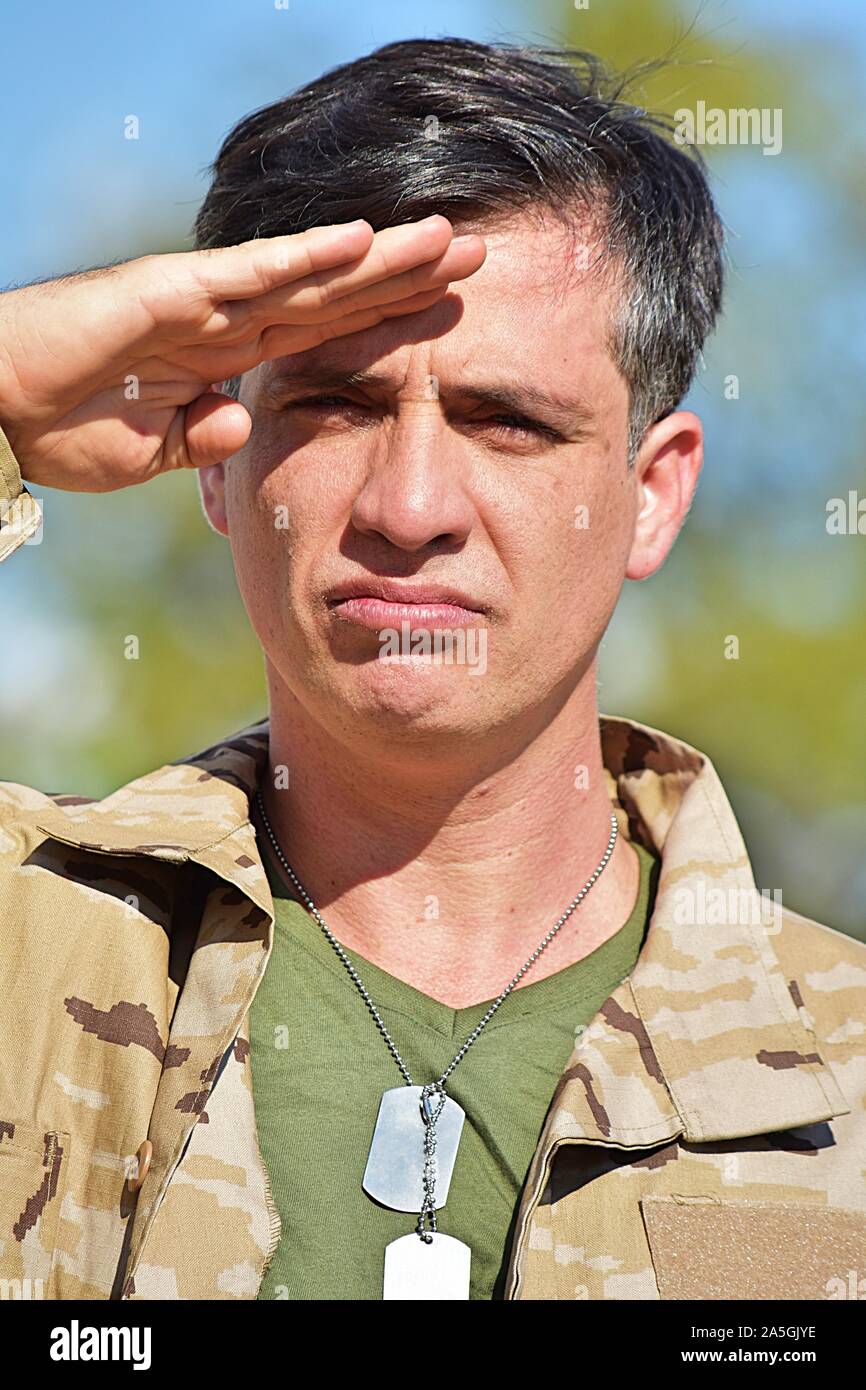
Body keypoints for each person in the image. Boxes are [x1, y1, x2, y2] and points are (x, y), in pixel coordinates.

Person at [0, 37, 863, 1304]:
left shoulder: (843, 1073)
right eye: (332, 407)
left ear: (651, 493)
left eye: (506, 421)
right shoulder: (28, 949)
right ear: (216, 469)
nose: (408, 507)